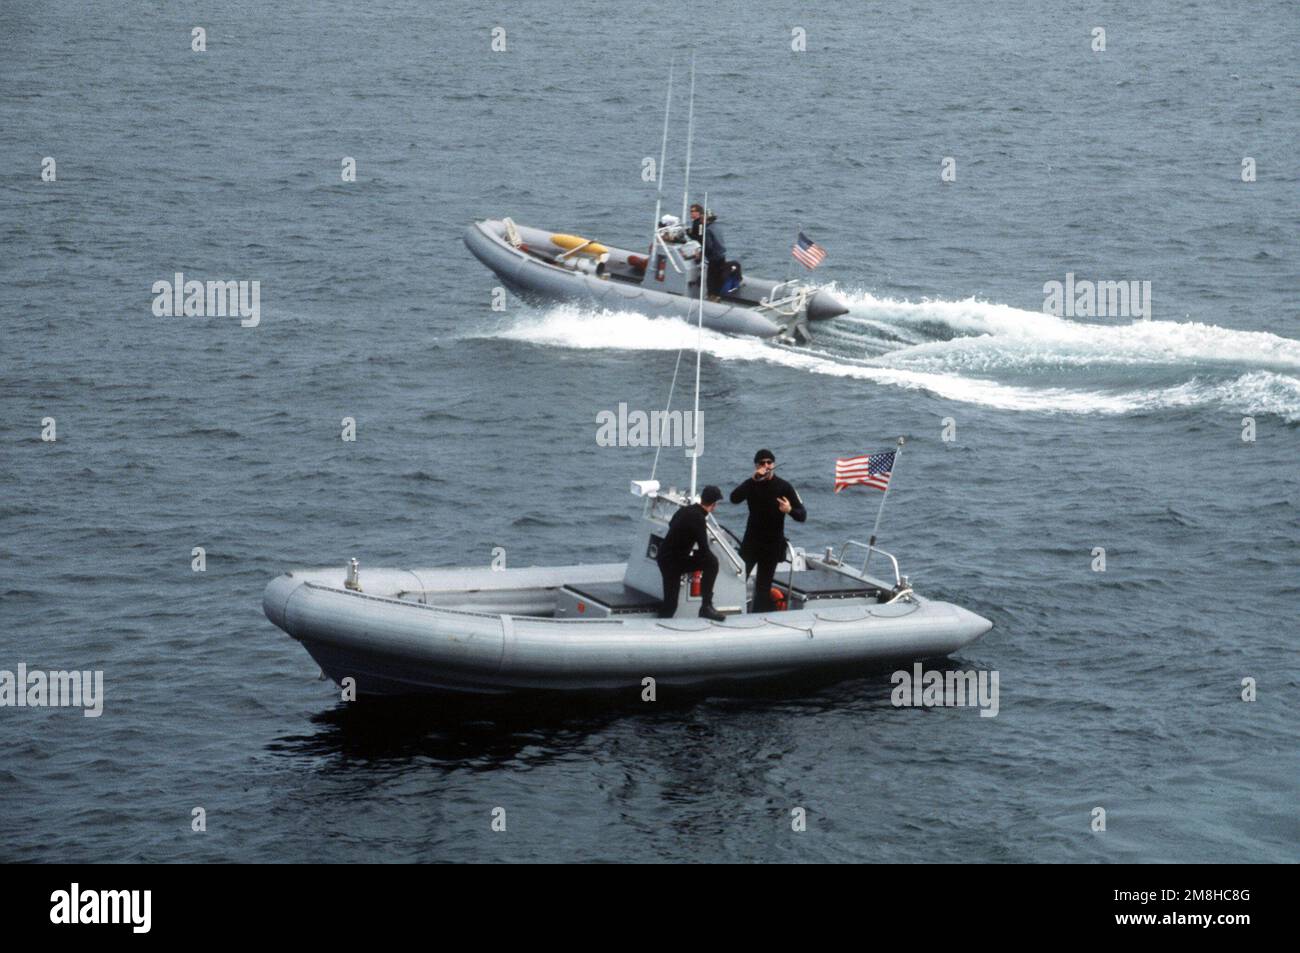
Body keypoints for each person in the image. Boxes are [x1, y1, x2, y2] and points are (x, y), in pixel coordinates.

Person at [730, 449, 806, 612]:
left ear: (774, 464)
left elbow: (802, 515)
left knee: (763, 588)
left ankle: (756, 620)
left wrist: (789, 510)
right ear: (756, 466)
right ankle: (732, 613)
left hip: (772, 544)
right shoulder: (751, 484)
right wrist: (753, 479)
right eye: (762, 463)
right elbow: (734, 498)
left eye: (769, 463)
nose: (766, 466)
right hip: (751, 542)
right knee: (737, 579)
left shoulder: (784, 487)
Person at [656, 485, 726, 621]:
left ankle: (659, 624)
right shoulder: (699, 518)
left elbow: (672, 524)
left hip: (665, 557)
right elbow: (704, 549)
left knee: (670, 604)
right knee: (712, 562)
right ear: (714, 505)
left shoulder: (685, 510)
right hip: (674, 563)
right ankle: (706, 607)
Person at [687, 203, 729, 296]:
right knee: (719, 278)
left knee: (711, 278)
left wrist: (700, 254)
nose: (701, 221)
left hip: (714, 258)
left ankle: (711, 296)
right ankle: (718, 296)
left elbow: (708, 246)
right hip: (722, 256)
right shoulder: (717, 227)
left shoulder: (708, 230)